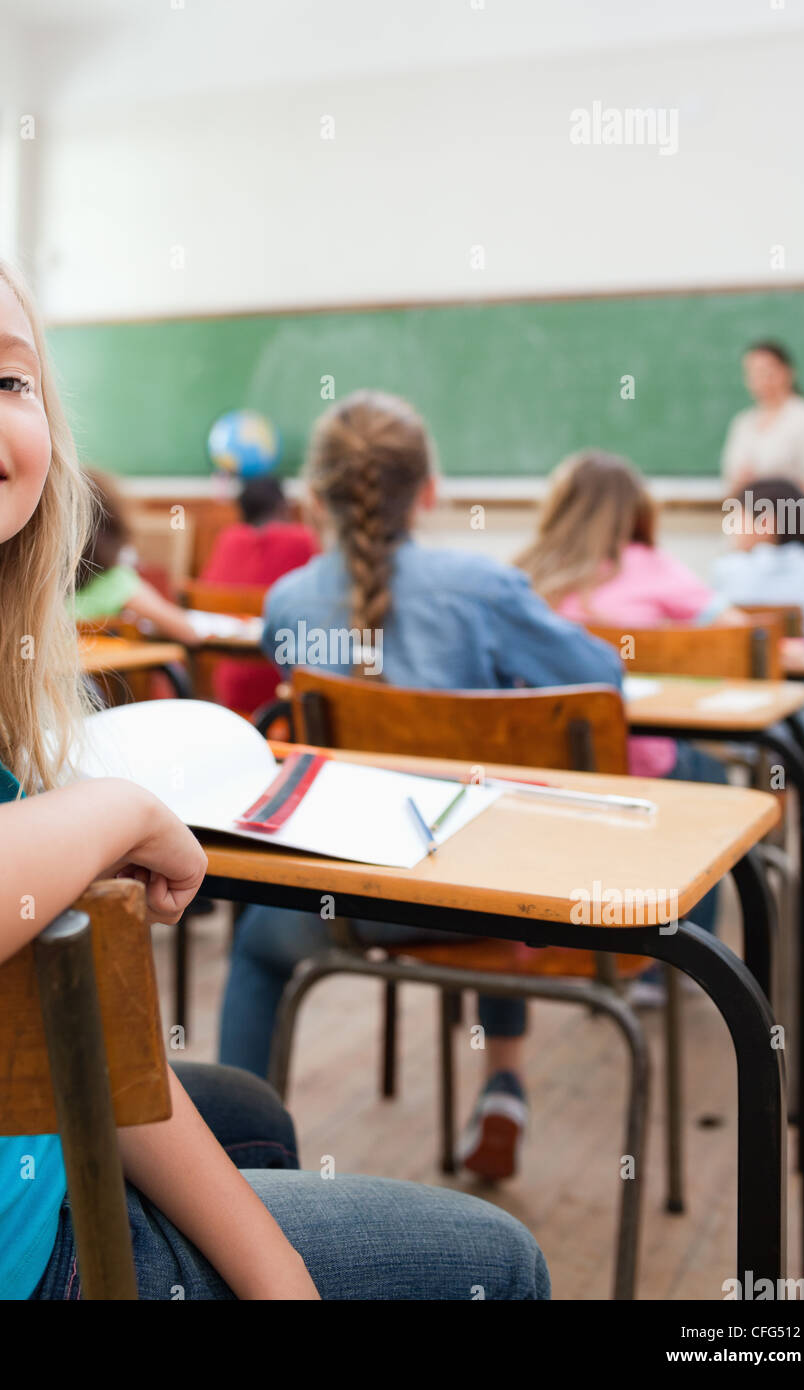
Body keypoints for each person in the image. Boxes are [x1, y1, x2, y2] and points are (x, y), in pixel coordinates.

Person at [0, 221, 550, 1301]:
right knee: (500, 1262)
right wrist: (114, 807)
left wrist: (273, 1276)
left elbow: (94, 1046)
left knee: (245, 1113)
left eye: (9, 378)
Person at [218, 389, 625, 1179]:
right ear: (427, 491)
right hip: (491, 902)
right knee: (482, 824)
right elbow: (598, 683)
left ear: (316, 497)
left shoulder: (290, 600)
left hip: (347, 901)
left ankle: (246, 1161)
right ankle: (503, 1084)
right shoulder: (484, 588)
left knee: (256, 946)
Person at [514, 450, 735, 1004]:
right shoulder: (652, 566)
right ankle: (675, 959)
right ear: (637, 512)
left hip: (535, 789)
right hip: (639, 781)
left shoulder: (523, 574)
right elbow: (732, 633)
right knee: (716, 784)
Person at [713, 476, 804, 774]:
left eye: (738, 517)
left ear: (766, 523)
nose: (732, 528)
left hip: (747, 726)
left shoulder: (727, 573)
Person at [199, 476, 319, 713]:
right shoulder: (304, 540)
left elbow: (205, 594)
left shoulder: (228, 540)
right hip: (284, 685)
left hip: (229, 691)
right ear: (282, 506)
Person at [75, 467, 201, 647]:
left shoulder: (40, 587)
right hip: (95, 674)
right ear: (114, 526)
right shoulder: (115, 583)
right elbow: (188, 632)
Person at [720, 340, 804, 499]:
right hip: (749, 518)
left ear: (788, 372)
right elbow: (730, 487)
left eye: (767, 371)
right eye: (753, 373)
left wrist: (775, 489)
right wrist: (742, 483)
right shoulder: (742, 422)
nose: (761, 380)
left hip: (791, 518)